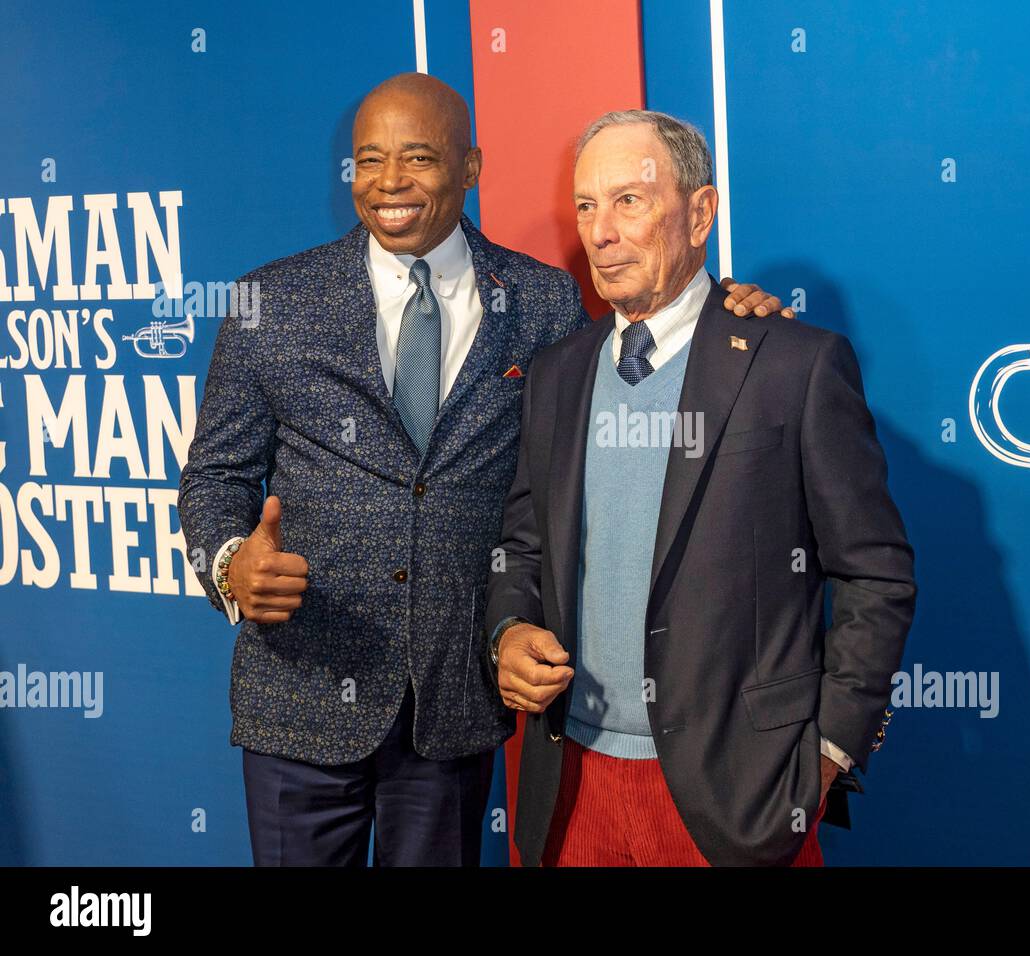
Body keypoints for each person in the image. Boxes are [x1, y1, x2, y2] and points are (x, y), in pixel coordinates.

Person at [177, 75, 786, 866]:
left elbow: (650, 341)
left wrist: (731, 310)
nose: (389, 183)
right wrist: (229, 565)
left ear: (471, 167)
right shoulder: (272, 299)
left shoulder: (543, 302)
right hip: (301, 691)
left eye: (418, 158)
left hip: (454, 701)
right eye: (369, 161)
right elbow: (214, 477)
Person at [485, 110, 917, 866]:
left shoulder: (793, 365)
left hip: (737, 798)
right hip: (568, 785)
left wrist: (826, 754)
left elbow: (875, 572)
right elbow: (522, 546)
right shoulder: (555, 373)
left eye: (630, 200)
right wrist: (509, 631)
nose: (601, 232)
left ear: (701, 211)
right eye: (586, 206)